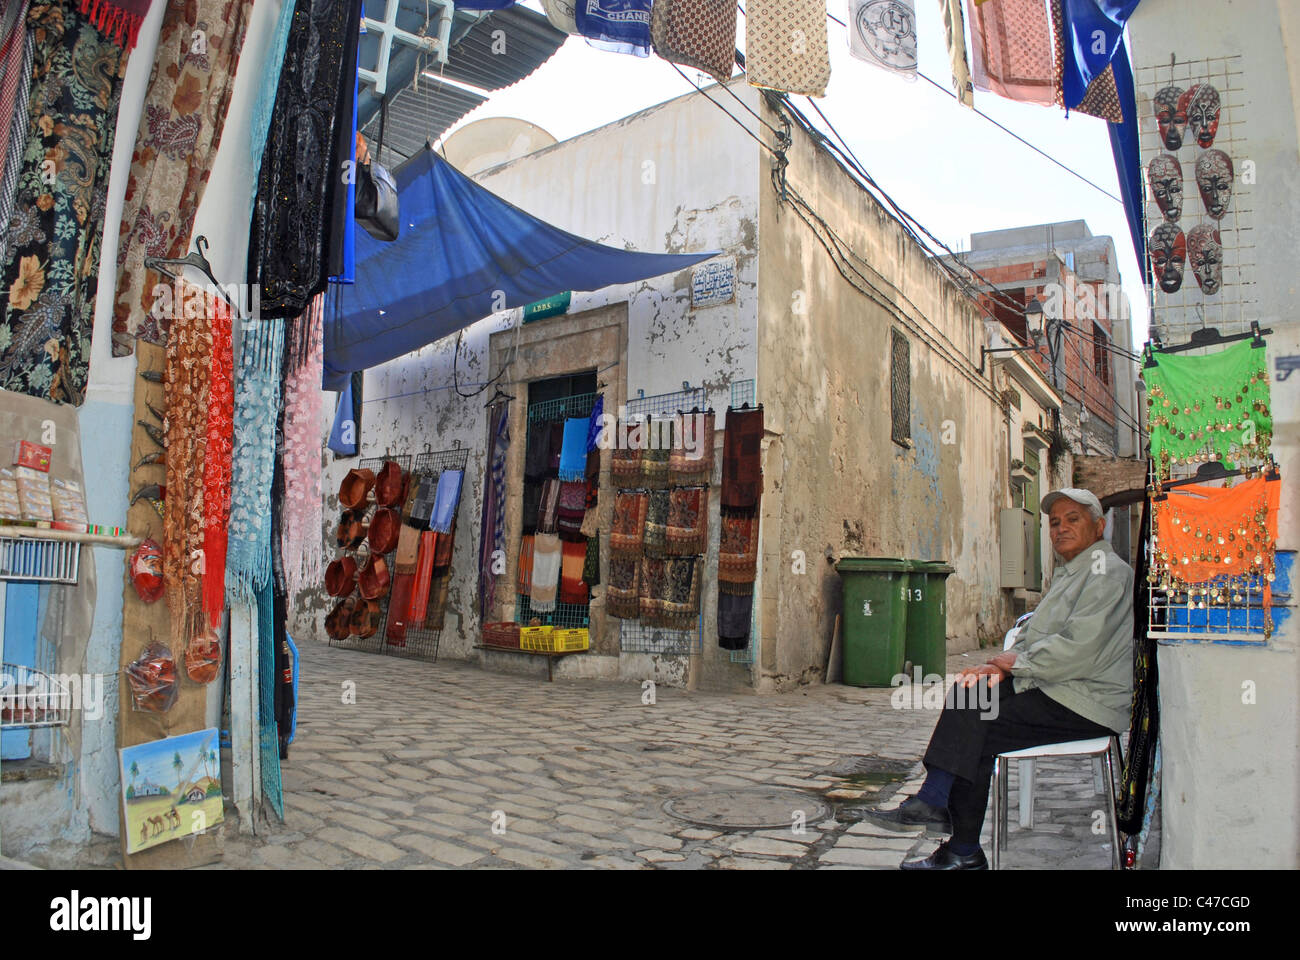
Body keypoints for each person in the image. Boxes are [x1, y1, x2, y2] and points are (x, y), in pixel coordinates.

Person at [866, 488, 1135, 870]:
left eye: (1073, 519)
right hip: (1056, 685)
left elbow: (1080, 646)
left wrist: (1011, 663)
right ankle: (940, 810)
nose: (1060, 529)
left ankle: (956, 839)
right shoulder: (1070, 573)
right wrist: (997, 667)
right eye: (1055, 522)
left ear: (1099, 526)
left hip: (1086, 699)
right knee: (969, 693)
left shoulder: (1107, 573)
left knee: (976, 731)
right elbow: (1032, 633)